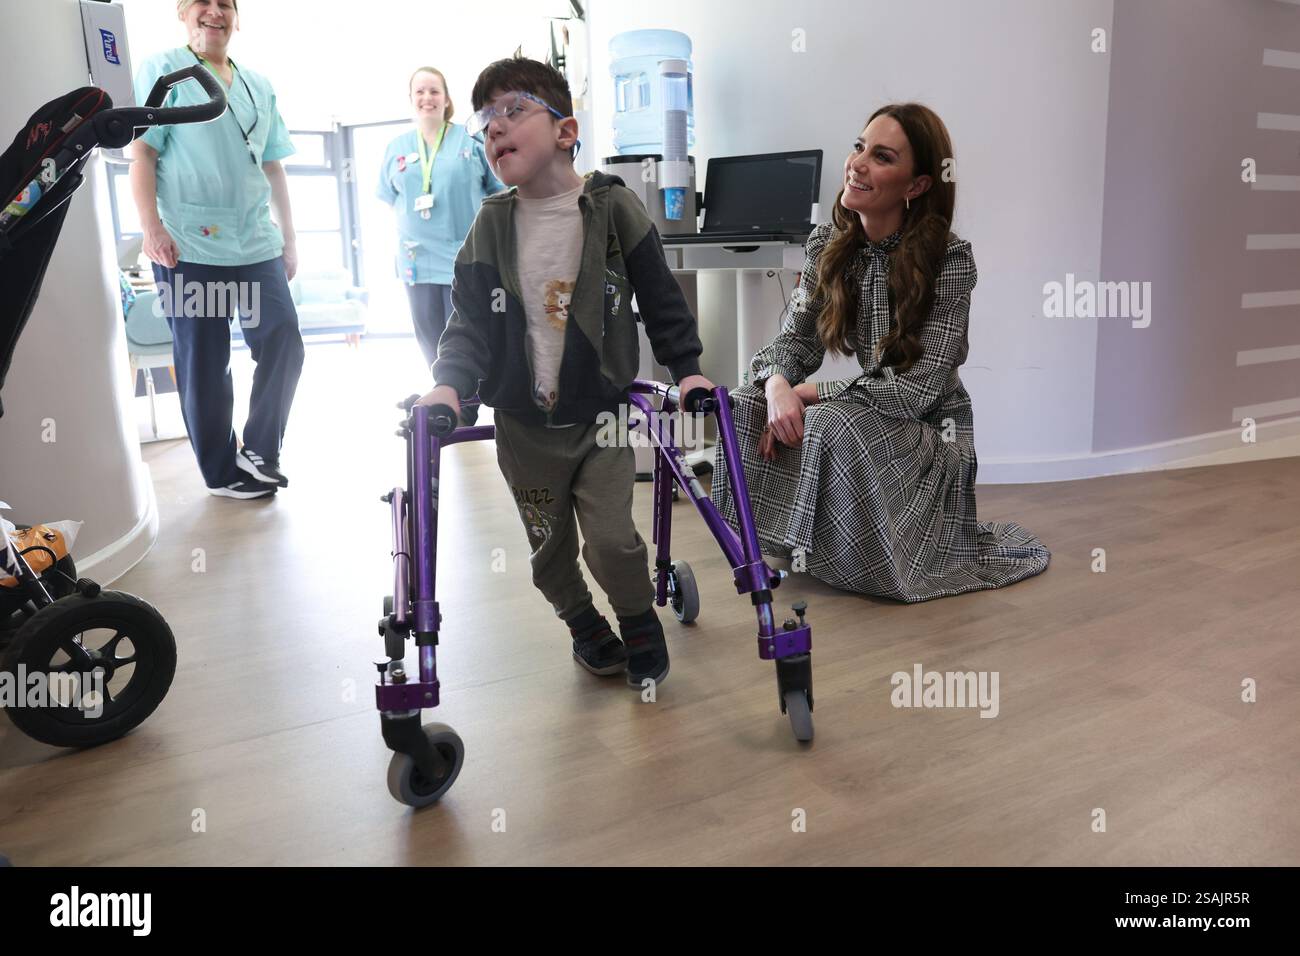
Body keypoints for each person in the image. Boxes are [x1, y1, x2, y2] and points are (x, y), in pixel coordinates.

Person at [416, 56, 714, 687]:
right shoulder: (490, 225)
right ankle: (583, 625)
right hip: (524, 427)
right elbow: (466, 324)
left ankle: (637, 622)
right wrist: (449, 382)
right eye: (484, 121)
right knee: (548, 556)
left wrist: (687, 370)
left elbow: (661, 299)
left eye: (511, 110)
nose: (494, 129)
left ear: (565, 130)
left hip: (600, 420)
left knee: (613, 542)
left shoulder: (613, 208)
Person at [712, 103, 1050, 602]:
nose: (858, 164)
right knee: (741, 404)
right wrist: (779, 385)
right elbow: (793, 339)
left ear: (916, 186)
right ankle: (789, 543)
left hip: (928, 426)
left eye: (882, 156)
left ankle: (867, 557)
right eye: (859, 147)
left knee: (831, 422)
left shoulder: (950, 261)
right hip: (866, 405)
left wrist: (812, 392)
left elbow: (915, 390)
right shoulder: (827, 243)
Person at [130, 0, 304, 499]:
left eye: (224, 3)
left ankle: (260, 449)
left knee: (284, 339)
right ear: (183, 13)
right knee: (205, 361)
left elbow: (273, 165)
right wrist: (151, 227)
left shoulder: (258, 84)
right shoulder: (163, 69)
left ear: (236, 16)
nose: (214, 11)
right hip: (189, 245)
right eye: (202, 2)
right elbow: (142, 152)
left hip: (254, 243)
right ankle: (222, 473)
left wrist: (288, 238)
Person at [377, 67, 502, 375]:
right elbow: (390, 197)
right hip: (416, 262)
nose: (427, 98)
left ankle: (465, 409)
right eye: (419, 91)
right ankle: (443, 410)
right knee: (430, 345)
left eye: (434, 91)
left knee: (464, 342)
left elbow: (499, 190)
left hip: (463, 257)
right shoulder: (397, 148)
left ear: (447, 99)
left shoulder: (471, 139)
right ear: (411, 99)